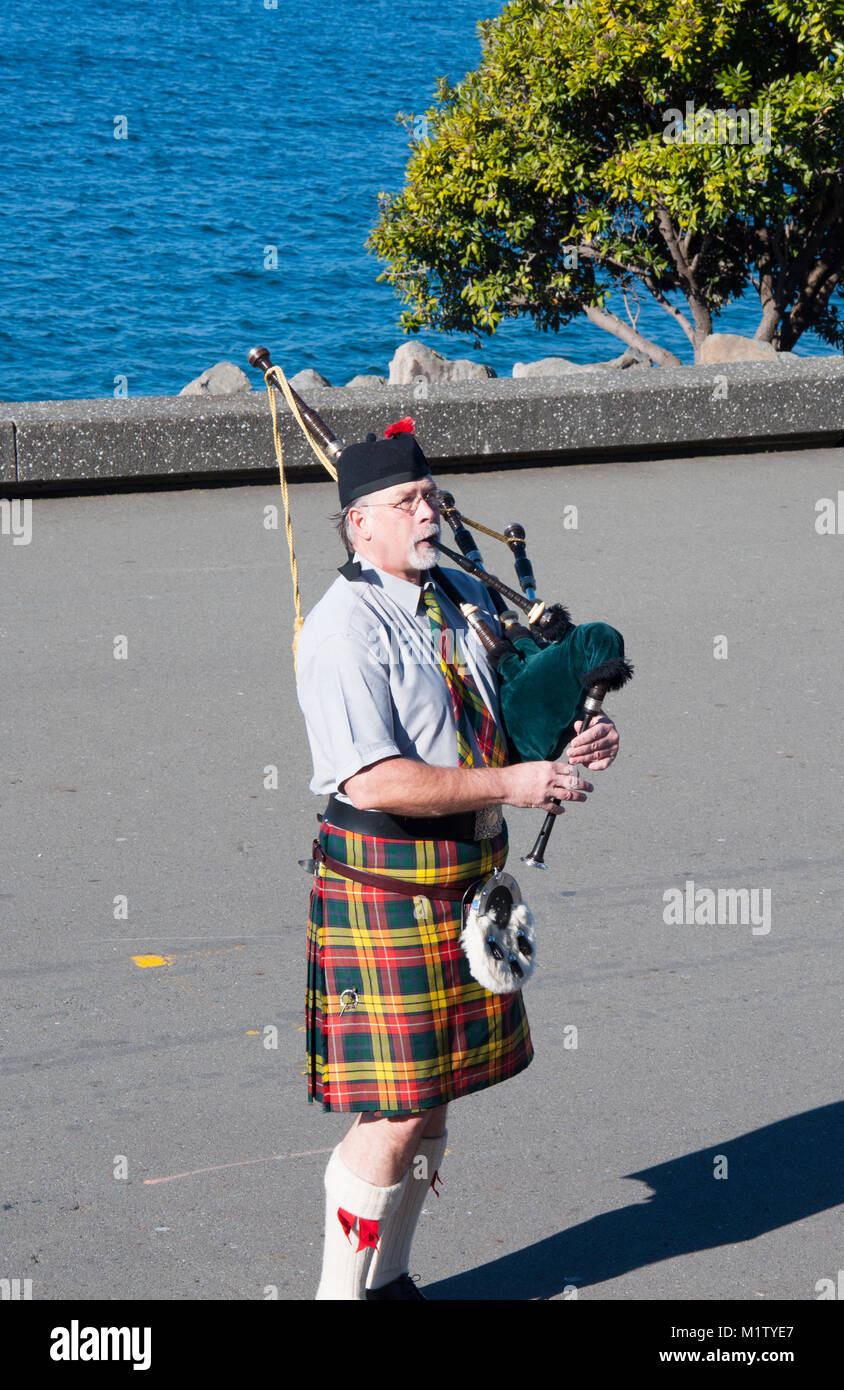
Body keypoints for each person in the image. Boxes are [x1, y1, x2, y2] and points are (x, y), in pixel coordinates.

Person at [295, 421, 620, 1300]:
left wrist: (568, 740)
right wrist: (514, 784)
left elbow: (503, 717)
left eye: (430, 494)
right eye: (405, 501)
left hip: (462, 882)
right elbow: (378, 780)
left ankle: (389, 1280)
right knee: (393, 1112)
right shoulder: (342, 632)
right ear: (359, 524)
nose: (427, 511)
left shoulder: (451, 602)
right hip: (388, 883)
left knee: (431, 1103)